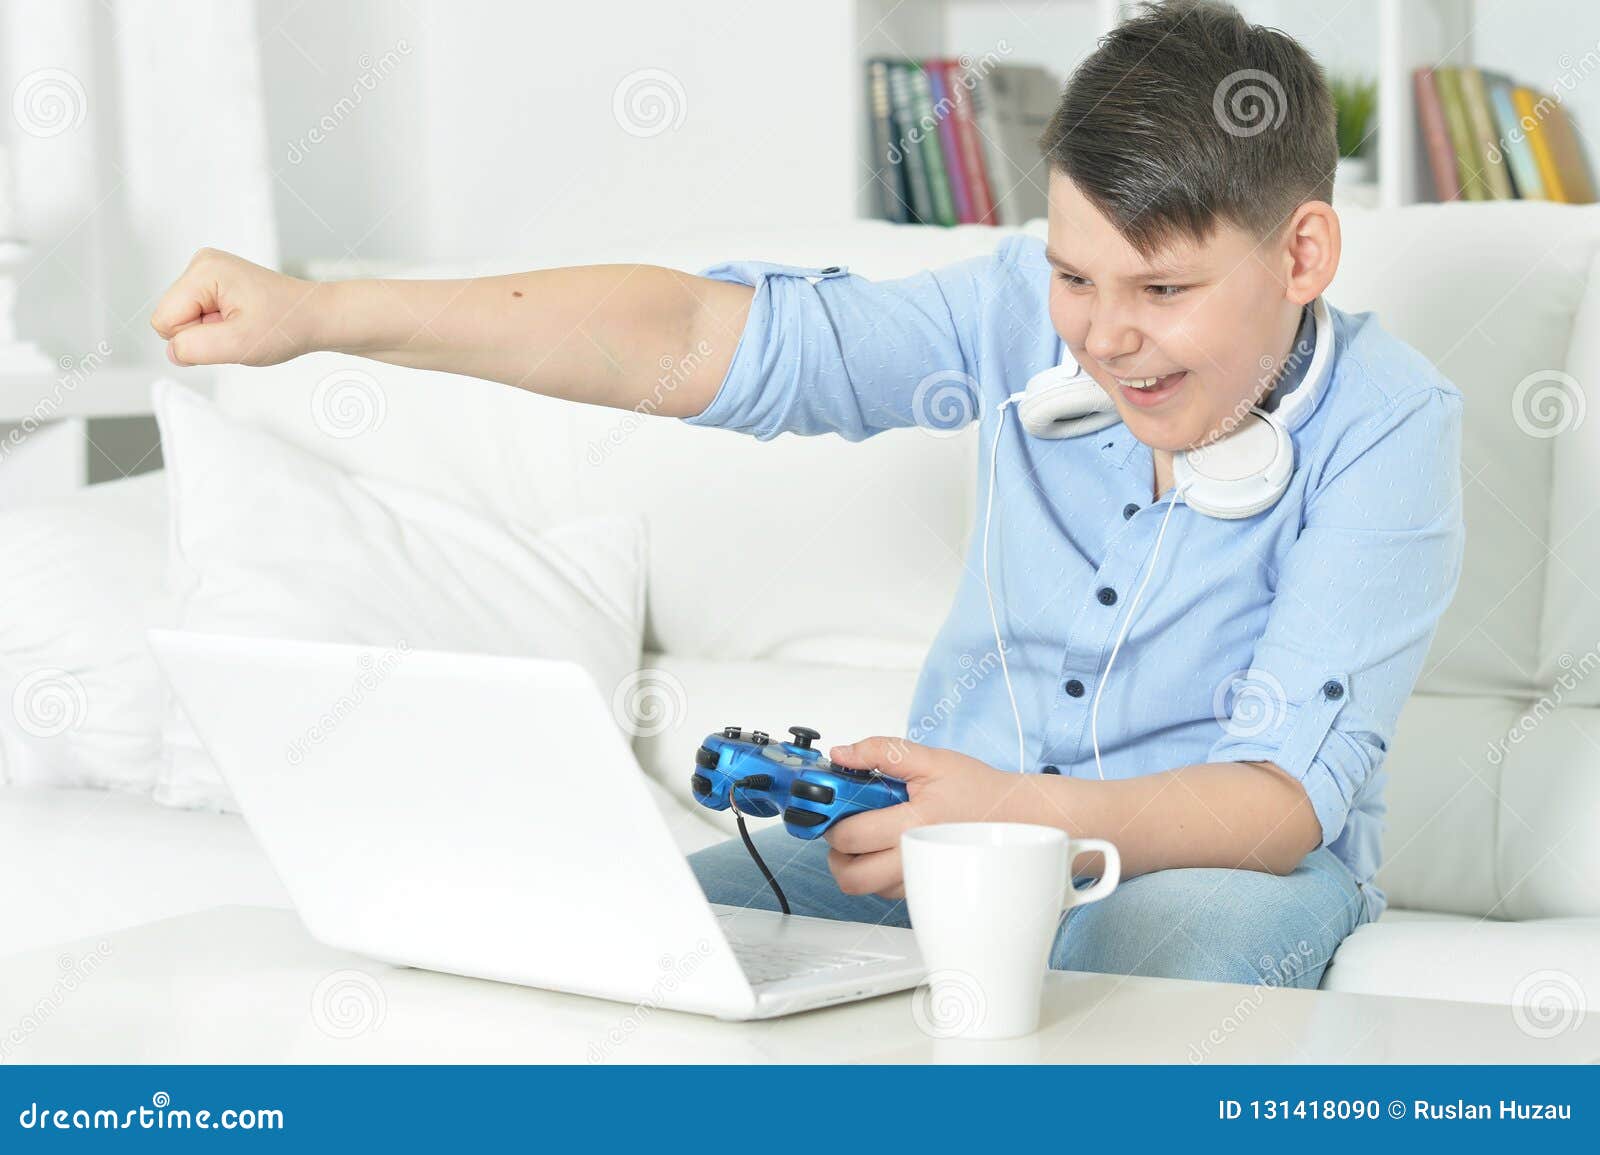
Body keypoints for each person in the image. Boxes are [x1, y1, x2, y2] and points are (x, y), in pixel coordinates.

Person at [151, 0, 1463, 990]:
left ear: (1302, 252)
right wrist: (322, 313)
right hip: (940, 849)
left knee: (1178, 976)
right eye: (1077, 278)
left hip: (1199, 873)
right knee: (661, 949)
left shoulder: (1390, 423)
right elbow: (694, 336)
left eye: (1162, 292)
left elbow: (1285, 795)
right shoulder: (1020, 312)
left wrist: (1022, 818)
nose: (1103, 340)